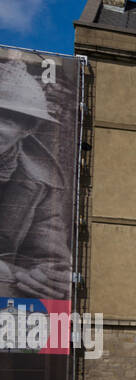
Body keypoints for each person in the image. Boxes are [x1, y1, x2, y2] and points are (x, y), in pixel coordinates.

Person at [0, 59, 69, 300]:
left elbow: (48, 260)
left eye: (5, 119)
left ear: (27, 129)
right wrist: (13, 272)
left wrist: (51, 279)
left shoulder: (40, 183)